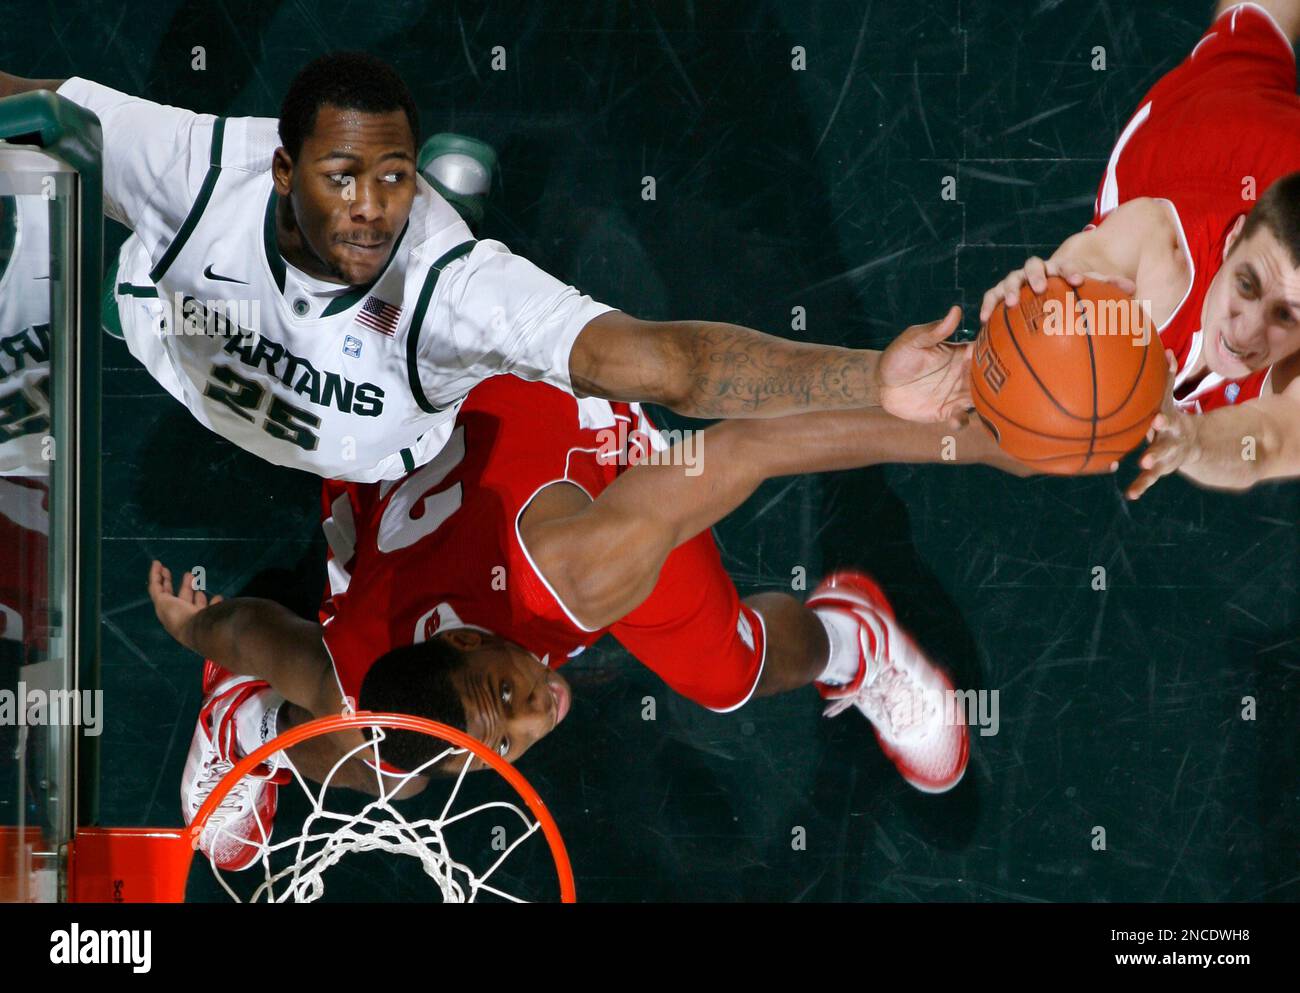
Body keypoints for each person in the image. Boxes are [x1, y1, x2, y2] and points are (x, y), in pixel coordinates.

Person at [148, 363, 1021, 868]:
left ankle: (851, 640)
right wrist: (192, 629)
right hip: (410, 505)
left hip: (567, 449)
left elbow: (757, 446)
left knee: (726, 675)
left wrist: (970, 432)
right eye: (511, 740)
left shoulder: (584, 565)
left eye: (506, 690)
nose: (542, 709)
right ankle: (243, 720)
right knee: (399, 776)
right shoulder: (348, 672)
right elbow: (246, 631)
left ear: (468, 639)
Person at [0, 52, 971, 483]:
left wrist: (868, 380)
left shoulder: (446, 287)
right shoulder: (206, 167)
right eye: (345, 177)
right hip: (178, 344)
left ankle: (464, 188)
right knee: (93, 261)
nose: (376, 206)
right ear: (282, 168)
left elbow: (670, 367)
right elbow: (32, 104)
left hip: (373, 440)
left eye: (395, 176)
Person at [978, 0, 1300, 498]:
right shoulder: (1159, 252)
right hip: (1221, 124)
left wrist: (1193, 441)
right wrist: (1044, 296)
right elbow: (1088, 268)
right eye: (1247, 284)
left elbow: (1270, 440)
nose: (1247, 329)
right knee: (1255, 20)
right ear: (1234, 236)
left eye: (1287, 315)